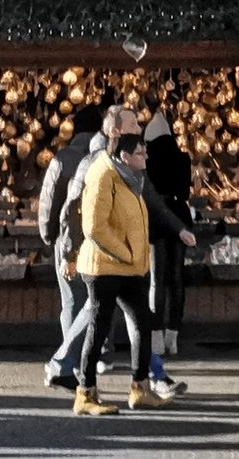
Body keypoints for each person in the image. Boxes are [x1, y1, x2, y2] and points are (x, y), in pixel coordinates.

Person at [71, 128, 176, 416]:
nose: (146, 157)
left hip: (128, 268)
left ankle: (140, 388)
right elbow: (93, 226)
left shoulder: (132, 178)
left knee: (143, 322)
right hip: (104, 267)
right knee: (99, 326)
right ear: (125, 156)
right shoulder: (103, 175)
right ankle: (85, 393)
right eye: (140, 153)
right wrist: (125, 252)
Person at [37, 106, 105, 392]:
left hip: (67, 241)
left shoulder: (63, 158)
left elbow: (49, 202)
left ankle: (70, 362)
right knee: (94, 301)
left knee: (73, 302)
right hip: (97, 241)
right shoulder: (104, 158)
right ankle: (75, 360)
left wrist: (48, 236)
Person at [142, 111, 197, 357]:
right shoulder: (183, 158)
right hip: (180, 217)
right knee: (177, 279)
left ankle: (156, 335)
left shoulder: (147, 158)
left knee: (157, 280)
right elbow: (186, 193)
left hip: (156, 220)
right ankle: (173, 334)